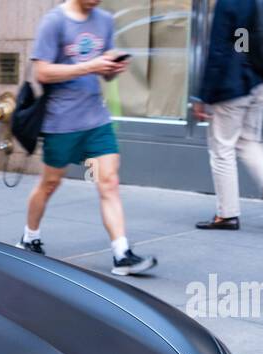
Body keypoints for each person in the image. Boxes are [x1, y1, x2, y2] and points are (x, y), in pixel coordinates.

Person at [19, 0, 156, 277]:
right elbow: (42, 72)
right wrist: (90, 65)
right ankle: (29, 238)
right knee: (49, 184)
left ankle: (122, 254)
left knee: (109, 183)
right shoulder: (54, 21)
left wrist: (111, 69)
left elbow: (103, 75)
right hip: (62, 121)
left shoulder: (104, 20)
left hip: (96, 119)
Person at [193, 0, 263, 229]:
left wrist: (203, 95)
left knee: (222, 149)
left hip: (234, 82)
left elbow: (219, 48)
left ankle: (226, 215)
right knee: (249, 139)